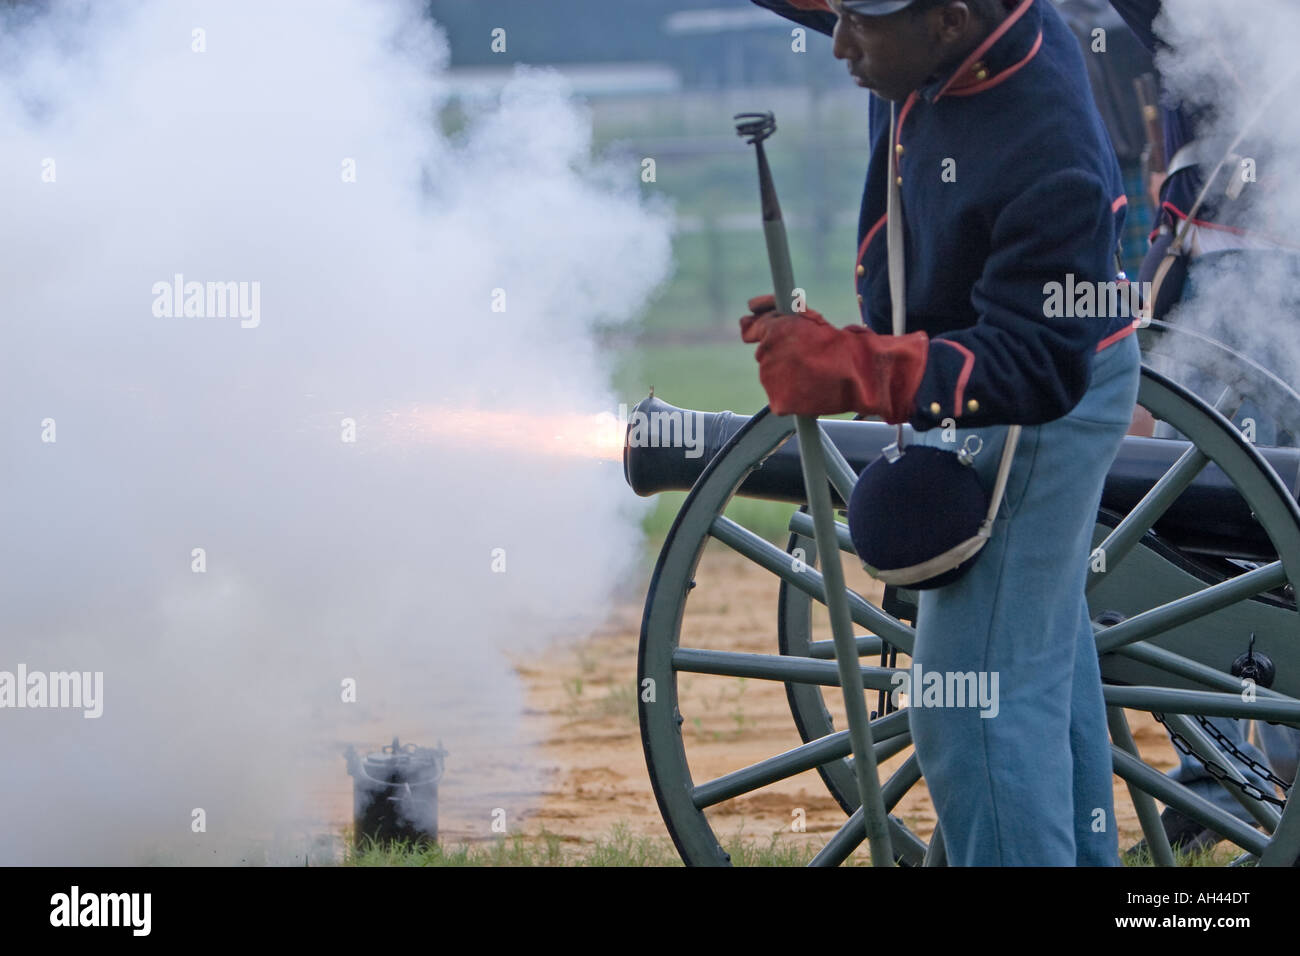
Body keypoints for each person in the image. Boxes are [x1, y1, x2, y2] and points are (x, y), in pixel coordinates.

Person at [742, 0, 1140, 864]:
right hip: (993, 374)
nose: (838, 41)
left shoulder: (1047, 141)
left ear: (951, 23)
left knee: (974, 706)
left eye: (861, 23)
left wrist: (857, 369)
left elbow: (1036, 364)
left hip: (1035, 408)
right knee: (1035, 674)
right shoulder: (925, 37)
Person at [1108, 0, 1300, 858]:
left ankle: (1236, 772)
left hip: (1245, 274)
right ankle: (1222, 772)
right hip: (1233, 264)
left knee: (1245, 539)